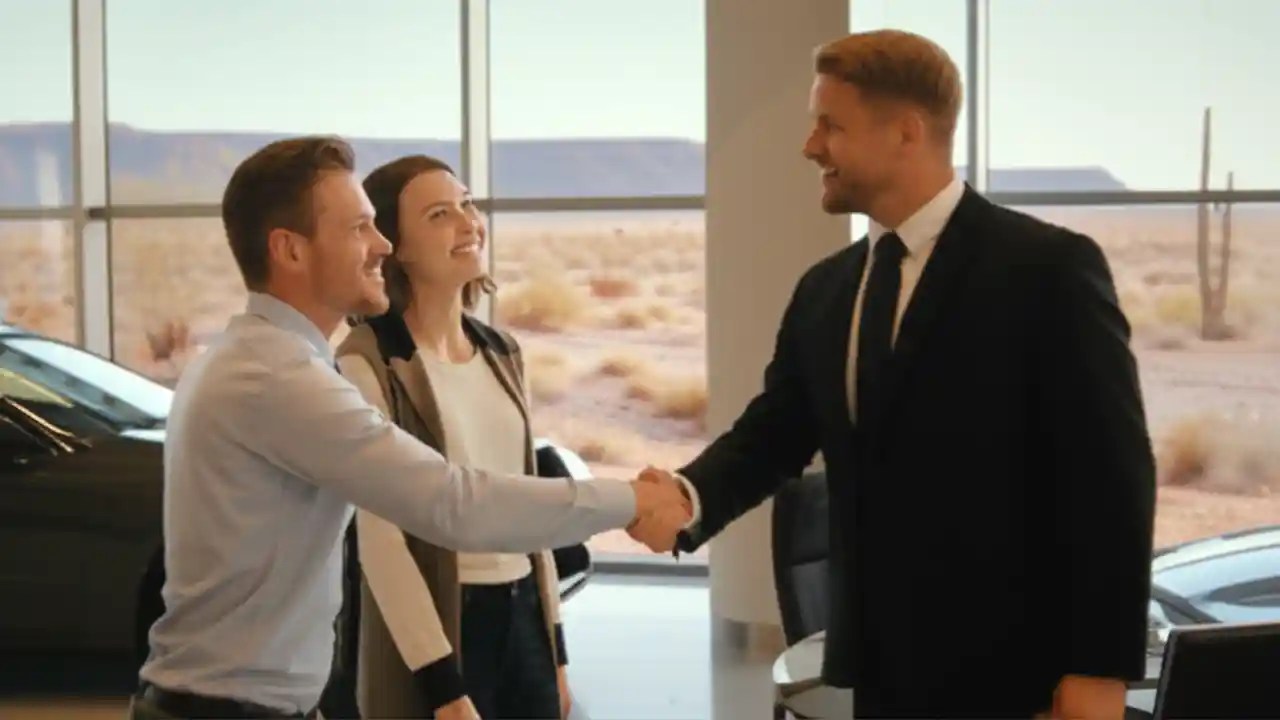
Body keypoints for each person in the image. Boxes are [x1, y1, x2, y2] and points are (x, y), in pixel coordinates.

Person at [631, 29, 1156, 719]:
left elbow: (1111, 478)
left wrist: (1099, 671)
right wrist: (687, 498)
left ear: (906, 132)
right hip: (880, 671)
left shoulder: (1046, 269)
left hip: (1019, 675)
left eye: (830, 124)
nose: (810, 145)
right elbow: (775, 434)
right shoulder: (826, 289)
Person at [130, 136, 690, 720]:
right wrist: (631, 500)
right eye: (358, 229)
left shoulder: (267, 360)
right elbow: (451, 503)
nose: (382, 246)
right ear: (289, 251)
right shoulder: (276, 376)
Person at [330, 154, 576, 720]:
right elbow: (381, 543)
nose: (469, 223)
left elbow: (531, 508)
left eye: (468, 204)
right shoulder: (369, 365)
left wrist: (556, 650)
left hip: (525, 620)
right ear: (397, 247)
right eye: (441, 214)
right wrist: (443, 686)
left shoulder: (503, 353)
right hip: (441, 630)